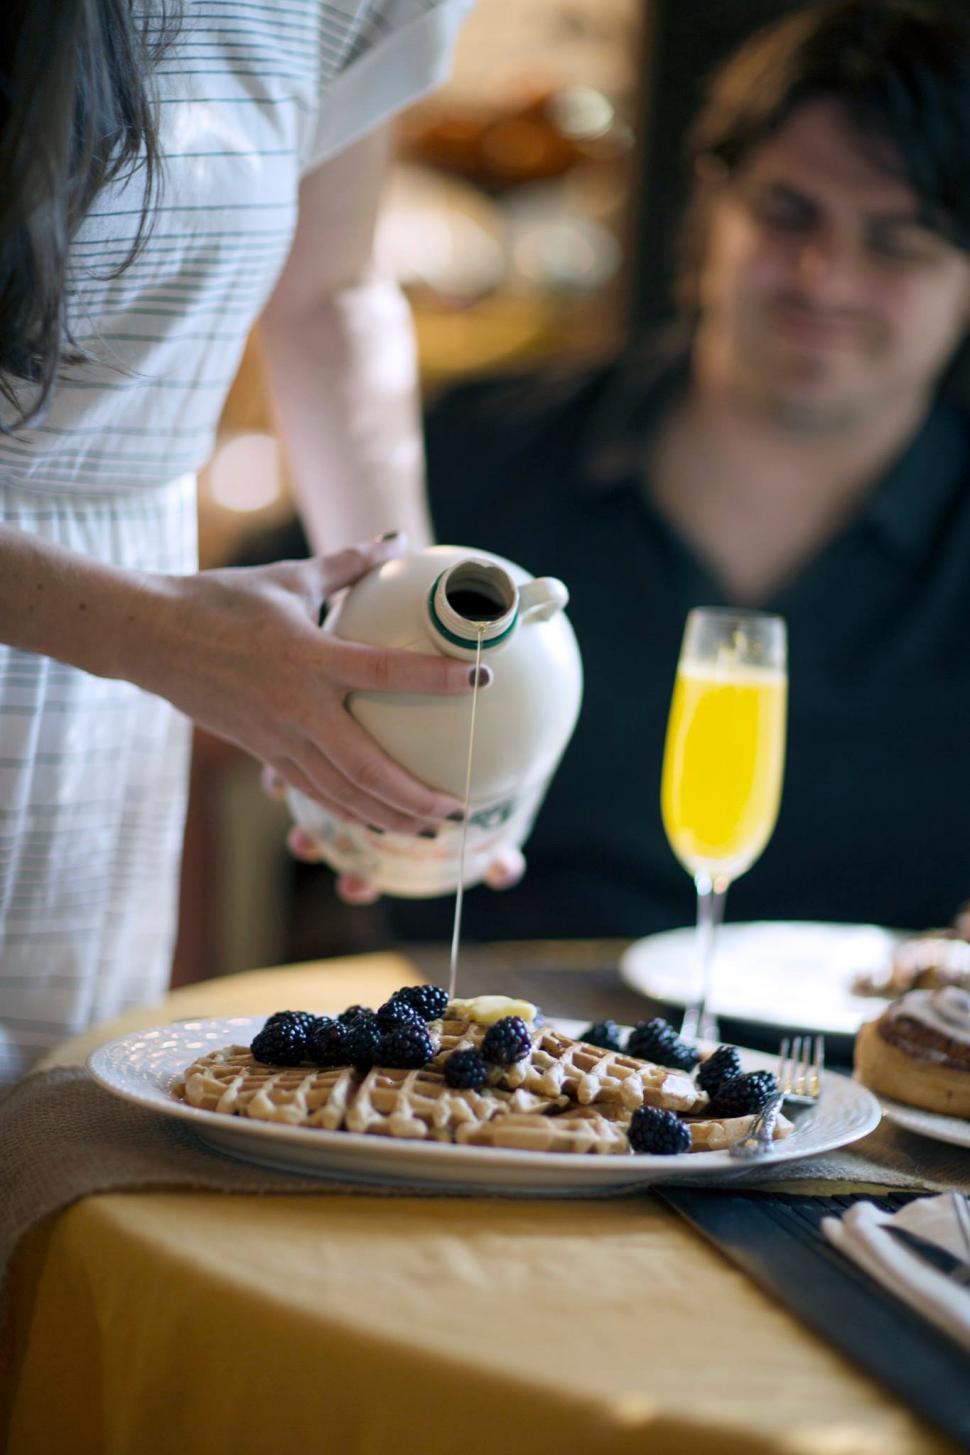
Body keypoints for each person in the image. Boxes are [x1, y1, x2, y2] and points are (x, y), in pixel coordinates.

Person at [373, 0, 970, 945]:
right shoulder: (476, 455)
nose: (826, 278)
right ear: (711, 204)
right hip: (475, 1059)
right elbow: (234, 701)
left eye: (896, 242)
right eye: (787, 212)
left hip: (867, 1071)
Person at [0, 0, 491, 1082]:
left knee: (41, 1142)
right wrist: (152, 632)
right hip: (115, 623)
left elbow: (329, 290)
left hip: (106, 717)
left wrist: (396, 645)